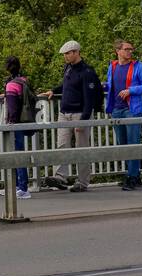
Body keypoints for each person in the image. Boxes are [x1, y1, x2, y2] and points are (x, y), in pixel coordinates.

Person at [40, 41, 102, 192]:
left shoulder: (87, 72)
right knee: (62, 145)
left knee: (81, 148)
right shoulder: (68, 68)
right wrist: (53, 90)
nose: (65, 57)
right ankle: (60, 177)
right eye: (64, 54)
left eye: (67, 54)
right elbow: (66, 85)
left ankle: (83, 182)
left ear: (76, 52)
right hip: (64, 113)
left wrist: (83, 120)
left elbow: (89, 98)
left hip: (79, 114)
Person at [104, 40, 142, 191]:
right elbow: (110, 84)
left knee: (133, 143)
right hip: (117, 109)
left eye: (131, 49)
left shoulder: (139, 66)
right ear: (117, 51)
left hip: (132, 109)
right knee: (122, 144)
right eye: (127, 49)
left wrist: (131, 90)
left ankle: (132, 176)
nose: (130, 52)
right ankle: (134, 175)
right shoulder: (112, 66)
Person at [2, 56, 32, 199]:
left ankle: (22, 188)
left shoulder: (11, 85)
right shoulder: (23, 80)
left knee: (17, 154)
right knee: (17, 153)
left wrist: (10, 124)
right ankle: (17, 186)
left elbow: (13, 108)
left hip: (16, 123)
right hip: (25, 120)